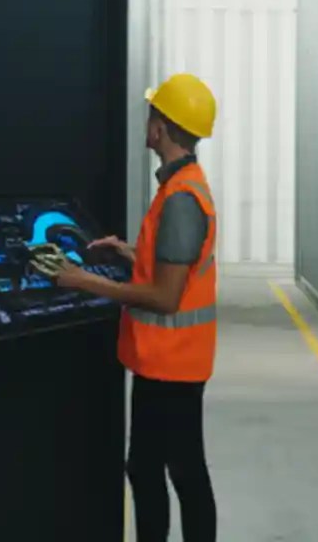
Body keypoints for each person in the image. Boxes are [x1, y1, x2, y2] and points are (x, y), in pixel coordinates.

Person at [53, 73, 219, 542]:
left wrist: (85, 281)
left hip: (171, 365)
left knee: (169, 471)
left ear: (161, 128)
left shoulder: (182, 201)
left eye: (152, 115)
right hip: (171, 361)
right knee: (160, 468)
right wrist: (126, 254)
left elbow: (166, 296)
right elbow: (173, 269)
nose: (147, 124)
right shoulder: (182, 187)